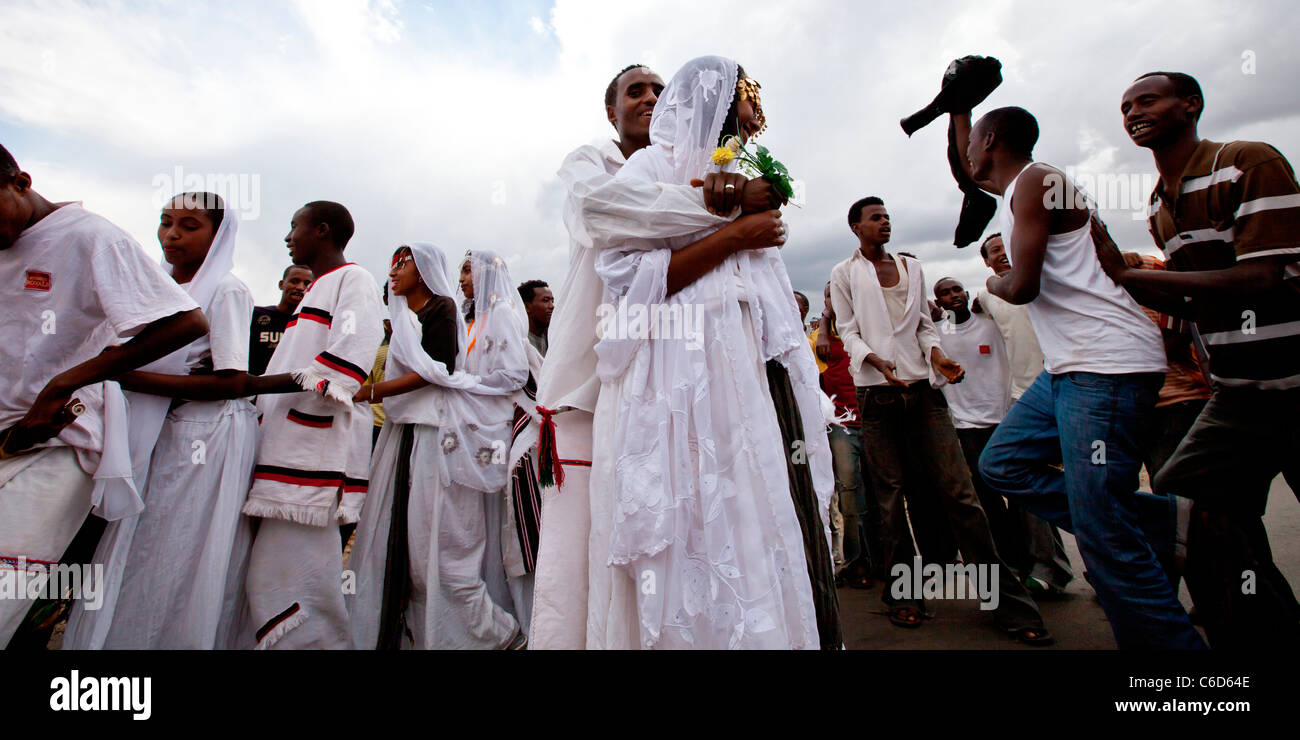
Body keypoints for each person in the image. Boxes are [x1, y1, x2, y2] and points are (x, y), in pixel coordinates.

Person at [527, 62, 789, 649]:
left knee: (688, 532)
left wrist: (735, 193)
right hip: (587, 387)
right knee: (588, 553)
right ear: (610, 111)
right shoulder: (594, 166)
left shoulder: (707, 171)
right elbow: (608, 212)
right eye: (634, 91)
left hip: (666, 383)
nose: (650, 99)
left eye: (660, 91)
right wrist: (730, 210)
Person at [585, 55, 838, 649]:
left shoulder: (743, 171)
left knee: (768, 517)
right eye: (746, 98)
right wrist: (731, 230)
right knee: (703, 516)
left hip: (758, 366)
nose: (755, 115)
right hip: (686, 370)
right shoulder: (650, 165)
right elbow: (622, 264)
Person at [952, 105, 1204, 649]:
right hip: (1071, 368)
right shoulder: (1015, 189)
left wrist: (990, 286)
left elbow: (1022, 287)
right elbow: (964, 167)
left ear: (991, 139)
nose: (965, 149)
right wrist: (957, 108)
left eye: (971, 138)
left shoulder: (1039, 180)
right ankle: (1167, 523)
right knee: (1003, 463)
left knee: (1105, 539)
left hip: (1105, 365)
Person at [1091, 71, 1300, 646]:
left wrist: (1129, 274)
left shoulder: (1246, 162)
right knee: (1192, 510)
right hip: (1241, 393)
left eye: (1148, 100)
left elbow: (1265, 275)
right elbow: (1187, 300)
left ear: (1191, 104)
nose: (1133, 112)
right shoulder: (1160, 205)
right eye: (1125, 105)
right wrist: (1122, 284)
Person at [0, 144, 208, 647]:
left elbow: (184, 321)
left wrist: (65, 382)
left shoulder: (90, 238)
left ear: (21, 183)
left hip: (53, 444)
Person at [829, 196, 1049, 642]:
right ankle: (904, 595)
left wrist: (937, 355)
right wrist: (875, 359)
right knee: (890, 502)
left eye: (888, 215)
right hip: (877, 397)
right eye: (875, 218)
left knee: (961, 495)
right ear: (856, 228)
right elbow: (846, 331)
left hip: (925, 395)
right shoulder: (843, 273)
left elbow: (925, 327)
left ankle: (1006, 603)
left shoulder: (911, 267)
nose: (885, 221)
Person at [64, 192, 259, 649]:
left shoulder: (226, 290)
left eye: (190, 225)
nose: (172, 234)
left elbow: (232, 381)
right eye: (166, 222)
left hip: (200, 442)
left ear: (218, 234)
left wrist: (124, 374)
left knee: (171, 551)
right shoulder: (156, 285)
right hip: (154, 433)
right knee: (134, 545)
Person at [348, 243, 528, 649]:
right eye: (461, 272)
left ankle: (490, 629)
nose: (465, 280)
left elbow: (501, 374)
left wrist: (463, 389)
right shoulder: (457, 316)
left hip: (463, 428)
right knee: (427, 541)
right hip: (439, 424)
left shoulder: (483, 314)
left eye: (470, 271)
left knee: (447, 541)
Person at [238, 201, 384, 649]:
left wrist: (253, 384)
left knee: (286, 579)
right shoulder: (319, 288)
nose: (288, 236)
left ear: (321, 231)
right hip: (285, 450)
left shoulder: (354, 279)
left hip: (308, 460)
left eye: (293, 225)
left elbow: (344, 366)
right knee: (276, 576)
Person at [973, 233, 1073, 594]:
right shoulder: (987, 297)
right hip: (1026, 401)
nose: (1002, 255)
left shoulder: (1049, 279)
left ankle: (1110, 562)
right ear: (986, 262)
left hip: (1076, 389)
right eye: (994, 252)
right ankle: (1048, 567)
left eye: (1008, 247)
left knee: (1091, 479)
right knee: (1022, 481)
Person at [811, 281, 881, 589]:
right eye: (828, 294)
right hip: (842, 423)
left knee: (883, 492)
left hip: (877, 419)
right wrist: (824, 324)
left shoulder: (869, 326)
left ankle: (885, 560)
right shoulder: (818, 338)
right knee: (850, 493)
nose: (834, 298)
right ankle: (856, 562)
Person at [249, 265, 314, 376]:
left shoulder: (314, 325)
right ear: (281, 284)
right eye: (294, 281)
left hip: (288, 390)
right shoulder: (255, 315)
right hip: (252, 388)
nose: (300, 287)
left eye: (307, 284)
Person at [518, 279, 553, 357]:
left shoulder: (554, 338)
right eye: (546, 300)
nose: (552, 306)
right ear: (526, 307)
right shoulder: (518, 343)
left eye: (552, 301)